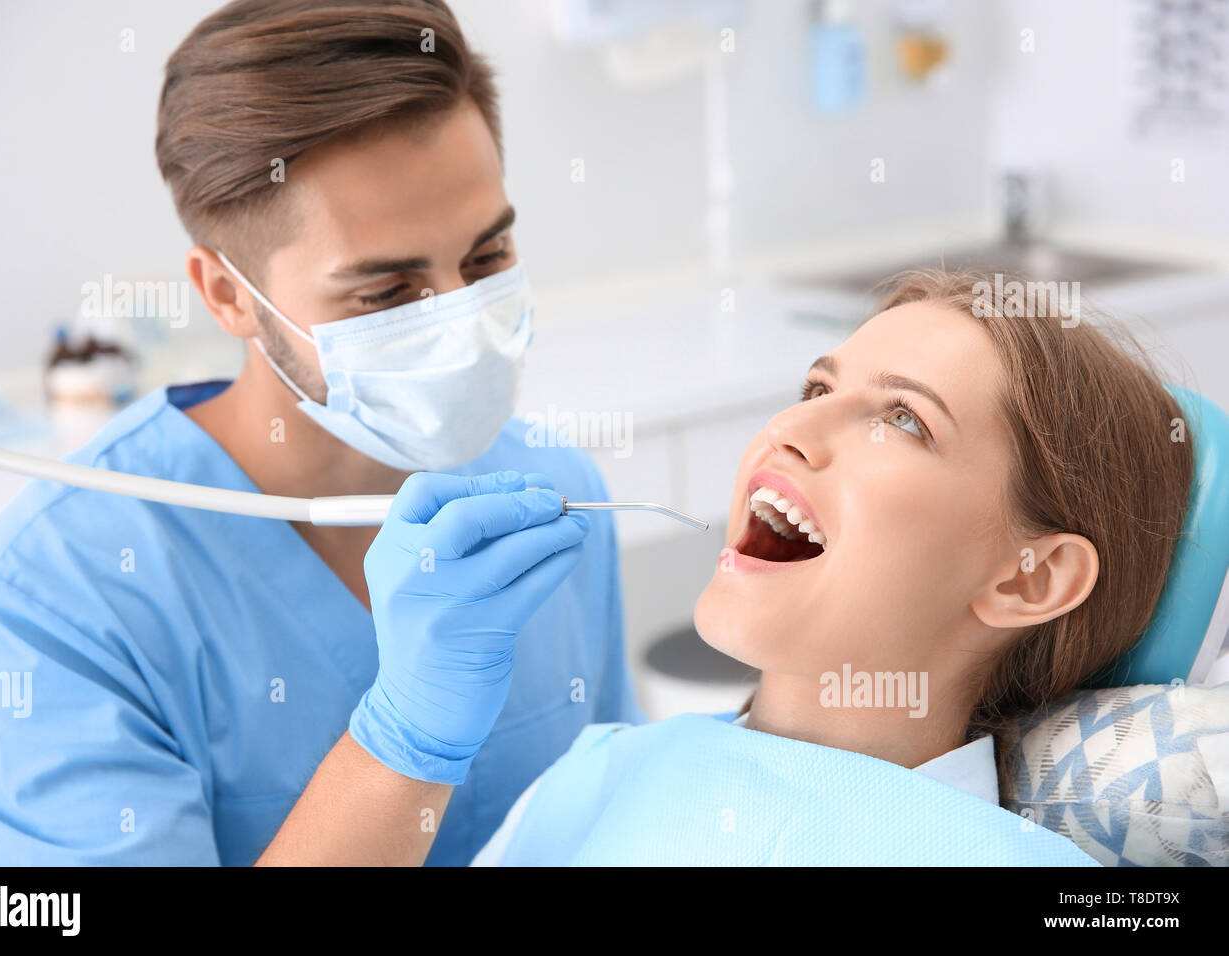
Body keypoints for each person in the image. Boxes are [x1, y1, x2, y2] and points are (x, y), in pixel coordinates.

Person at [0, 0, 641, 866]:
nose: (464, 320)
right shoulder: (50, 609)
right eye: (387, 294)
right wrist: (401, 745)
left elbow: (616, 821)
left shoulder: (552, 491)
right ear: (228, 295)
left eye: (487, 259)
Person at [277, 267, 1193, 866]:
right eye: (817, 389)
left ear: (1027, 579)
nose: (788, 431)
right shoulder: (609, 769)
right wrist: (397, 742)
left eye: (903, 419)